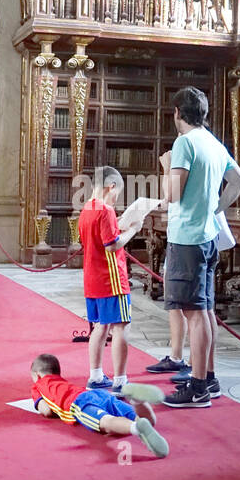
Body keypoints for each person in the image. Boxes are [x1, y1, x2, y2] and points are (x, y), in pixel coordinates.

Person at [159, 87, 240, 409]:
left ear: (176, 113)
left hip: (187, 239)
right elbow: (239, 182)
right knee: (205, 309)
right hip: (208, 237)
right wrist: (216, 209)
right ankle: (207, 378)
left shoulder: (185, 143)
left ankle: (197, 387)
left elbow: (173, 194)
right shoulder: (213, 142)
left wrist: (168, 164)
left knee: (193, 313)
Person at [29, 354, 169, 459]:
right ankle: (138, 402)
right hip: (98, 394)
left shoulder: (38, 386)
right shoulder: (61, 381)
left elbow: (46, 411)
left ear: (37, 375)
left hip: (78, 403)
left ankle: (135, 428)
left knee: (105, 422)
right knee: (144, 420)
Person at [79, 167, 144, 390]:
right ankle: (120, 380)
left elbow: (96, 238)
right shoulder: (105, 210)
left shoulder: (87, 207)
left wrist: (120, 225)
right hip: (112, 280)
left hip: (92, 279)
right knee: (121, 327)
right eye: (118, 192)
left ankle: (96, 376)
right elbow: (112, 245)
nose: (117, 198)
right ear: (111, 186)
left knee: (99, 327)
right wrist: (134, 229)